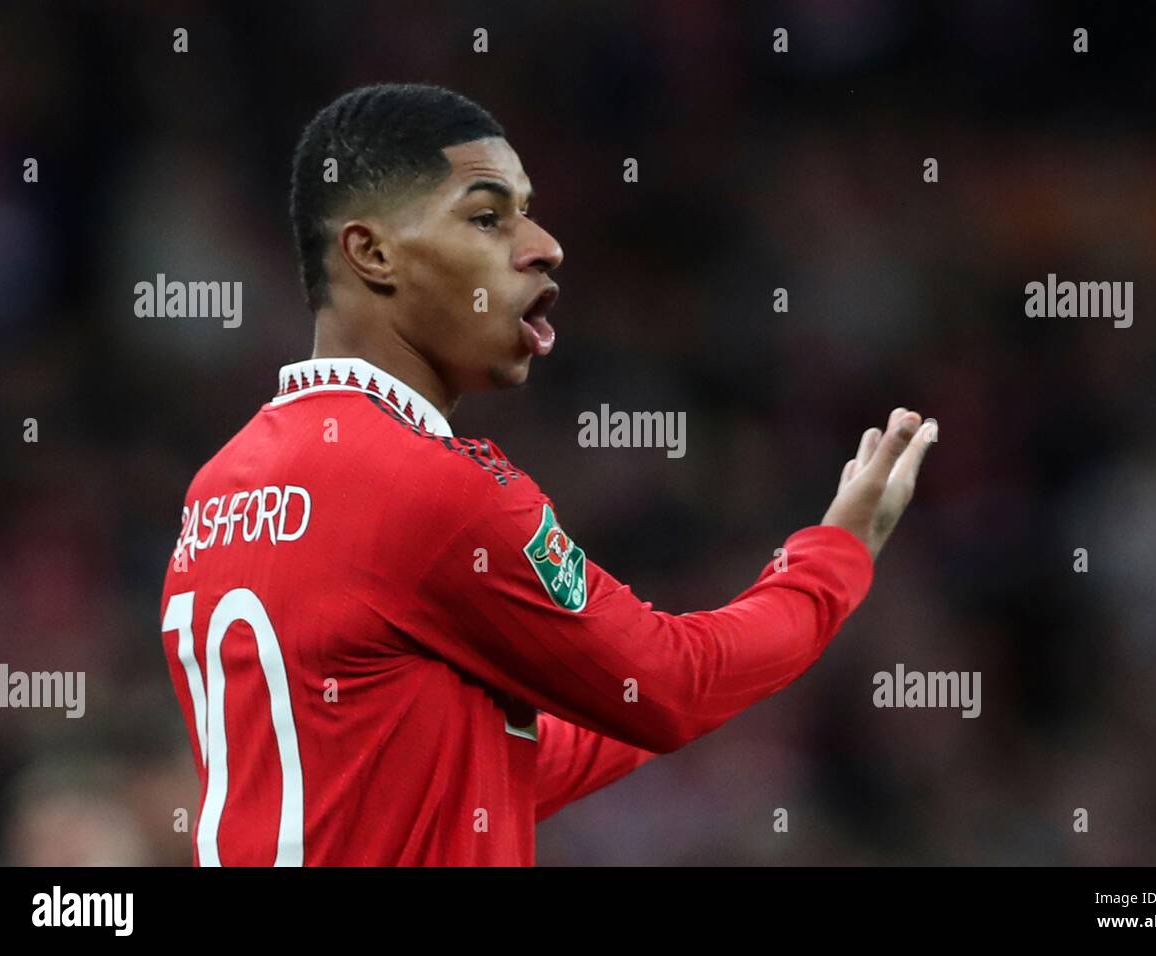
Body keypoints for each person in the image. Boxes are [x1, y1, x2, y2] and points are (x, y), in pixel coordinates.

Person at [159, 82, 937, 866]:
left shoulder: (220, 489)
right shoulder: (432, 490)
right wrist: (836, 557)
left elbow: (430, 775)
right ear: (373, 252)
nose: (542, 244)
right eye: (488, 216)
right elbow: (670, 684)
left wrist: (629, 693)